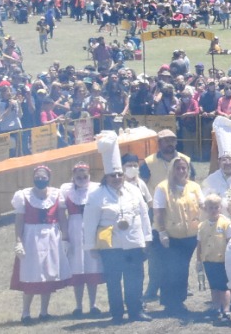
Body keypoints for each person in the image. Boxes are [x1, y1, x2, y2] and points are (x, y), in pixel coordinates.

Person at [83, 132, 153, 324]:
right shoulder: (96, 195)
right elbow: (89, 223)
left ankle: (136, 311)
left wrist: (147, 238)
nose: (117, 178)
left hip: (133, 242)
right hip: (111, 246)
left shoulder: (134, 190)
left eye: (119, 174)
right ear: (106, 176)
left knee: (135, 279)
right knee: (114, 281)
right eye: (113, 175)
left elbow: (144, 214)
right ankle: (116, 313)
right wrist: (91, 247)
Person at [11, 165, 66, 325]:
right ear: (33, 177)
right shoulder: (24, 195)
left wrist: (65, 238)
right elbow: (19, 221)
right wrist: (18, 241)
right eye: (38, 177)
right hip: (31, 236)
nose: (40, 180)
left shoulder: (56, 194)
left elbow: (62, 217)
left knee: (48, 273)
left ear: (49, 178)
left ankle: (44, 311)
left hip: (51, 236)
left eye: (44, 177)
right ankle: (26, 313)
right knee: (31, 273)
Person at [152, 155, 202, 315]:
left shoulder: (194, 186)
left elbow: (202, 205)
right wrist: (162, 232)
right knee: (170, 270)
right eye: (178, 168)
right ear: (172, 169)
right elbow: (158, 212)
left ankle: (179, 301)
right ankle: (169, 303)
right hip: (171, 237)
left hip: (190, 236)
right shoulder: (162, 187)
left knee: (183, 269)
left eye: (184, 168)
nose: (181, 171)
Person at [61, 162, 103, 317]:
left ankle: (93, 304)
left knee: (91, 265)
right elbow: (61, 214)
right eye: (78, 175)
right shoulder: (66, 190)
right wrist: (65, 236)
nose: (81, 177)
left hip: (91, 228)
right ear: (73, 175)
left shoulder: (96, 188)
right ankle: (78, 305)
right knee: (77, 266)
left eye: (84, 175)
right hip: (74, 229)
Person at [197, 194, 231, 323]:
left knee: (224, 287)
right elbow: (199, 244)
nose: (213, 210)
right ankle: (216, 308)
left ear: (220, 208)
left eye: (216, 207)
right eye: (210, 208)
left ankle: (226, 310)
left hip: (222, 262)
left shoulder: (226, 224)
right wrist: (198, 260)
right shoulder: (201, 226)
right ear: (206, 209)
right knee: (213, 287)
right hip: (208, 261)